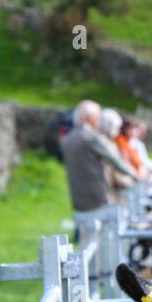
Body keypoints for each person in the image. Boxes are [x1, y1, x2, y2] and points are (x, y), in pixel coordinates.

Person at [61, 100, 141, 242]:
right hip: (99, 198)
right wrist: (136, 175)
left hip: (78, 201)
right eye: (97, 117)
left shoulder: (68, 137)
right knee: (105, 244)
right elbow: (115, 160)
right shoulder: (92, 137)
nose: (99, 120)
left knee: (86, 245)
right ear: (88, 118)